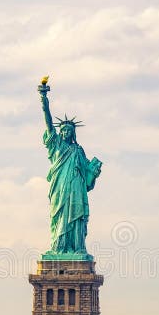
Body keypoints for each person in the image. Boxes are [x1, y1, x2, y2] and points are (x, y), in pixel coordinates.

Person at [38, 79, 103, 256]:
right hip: (60, 189)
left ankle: (76, 247)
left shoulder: (78, 150)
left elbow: (87, 175)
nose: (66, 132)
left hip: (76, 189)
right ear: (60, 133)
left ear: (73, 133)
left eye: (69, 130)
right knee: (59, 218)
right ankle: (59, 248)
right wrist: (44, 99)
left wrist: (94, 171)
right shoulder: (56, 145)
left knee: (76, 218)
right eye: (63, 130)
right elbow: (48, 122)